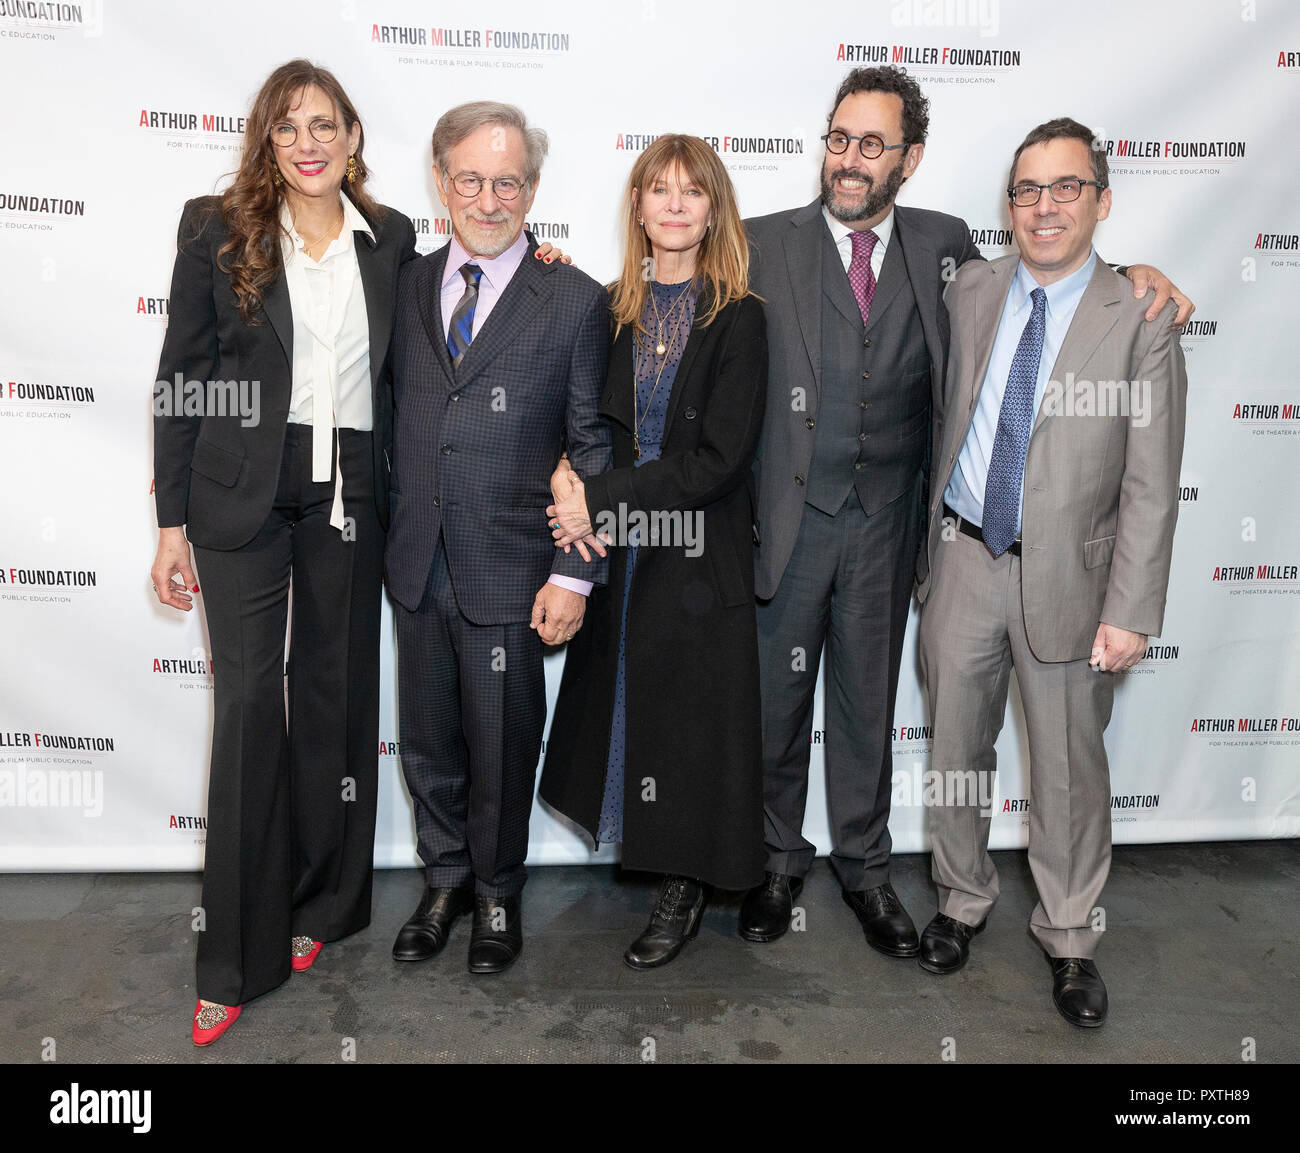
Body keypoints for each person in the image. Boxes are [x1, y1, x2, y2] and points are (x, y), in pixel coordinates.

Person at [739, 65, 1193, 956]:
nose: (851, 159)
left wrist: (1140, 274)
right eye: (840, 137)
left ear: (910, 156)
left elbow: (1074, 288)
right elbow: (666, 292)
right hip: (793, 529)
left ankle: (869, 872)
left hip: (892, 535)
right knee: (778, 709)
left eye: (874, 143)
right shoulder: (760, 241)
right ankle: (774, 863)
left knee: (872, 713)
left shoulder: (947, 251)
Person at [150, 60, 417, 1045]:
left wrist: (547, 266)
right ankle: (230, 954)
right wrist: (169, 519)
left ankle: (323, 901)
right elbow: (182, 371)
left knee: (339, 700)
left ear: (352, 137)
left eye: (326, 125)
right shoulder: (214, 227)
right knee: (254, 706)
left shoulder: (391, 238)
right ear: (268, 141)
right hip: (240, 494)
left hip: (350, 492)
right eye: (289, 127)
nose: (309, 143)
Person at [915, 118, 1187, 1027]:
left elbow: (1152, 479)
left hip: (1074, 579)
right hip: (962, 557)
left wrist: (1133, 607)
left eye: (1066, 187)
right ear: (1009, 204)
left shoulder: (1139, 314)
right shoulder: (973, 289)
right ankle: (958, 902)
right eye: (1028, 189)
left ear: (1102, 200)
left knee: (1068, 770)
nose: (1044, 206)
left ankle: (1070, 936)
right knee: (954, 751)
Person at [385, 102, 611, 976]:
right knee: (429, 743)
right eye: (470, 179)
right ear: (441, 182)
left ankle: (495, 894)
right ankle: (443, 880)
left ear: (532, 190)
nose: (487, 198)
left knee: (503, 749)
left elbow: (590, 449)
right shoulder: (404, 281)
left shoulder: (576, 298)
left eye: (506, 181)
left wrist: (574, 575)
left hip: (515, 570)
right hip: (416, 561)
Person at [540, 135, 768, 969]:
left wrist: (597, 499)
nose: (674, 204)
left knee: (689, 723)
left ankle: (683, 884)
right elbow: (589, 421)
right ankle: (649, 851)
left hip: (699, 554)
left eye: (692, 191)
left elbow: (720, 461)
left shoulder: (741, 314)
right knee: (633, 707)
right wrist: (579, 488)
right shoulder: (610, 306)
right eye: (658, 189)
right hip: (624, 554)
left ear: (715, 208)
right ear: (636, 205)